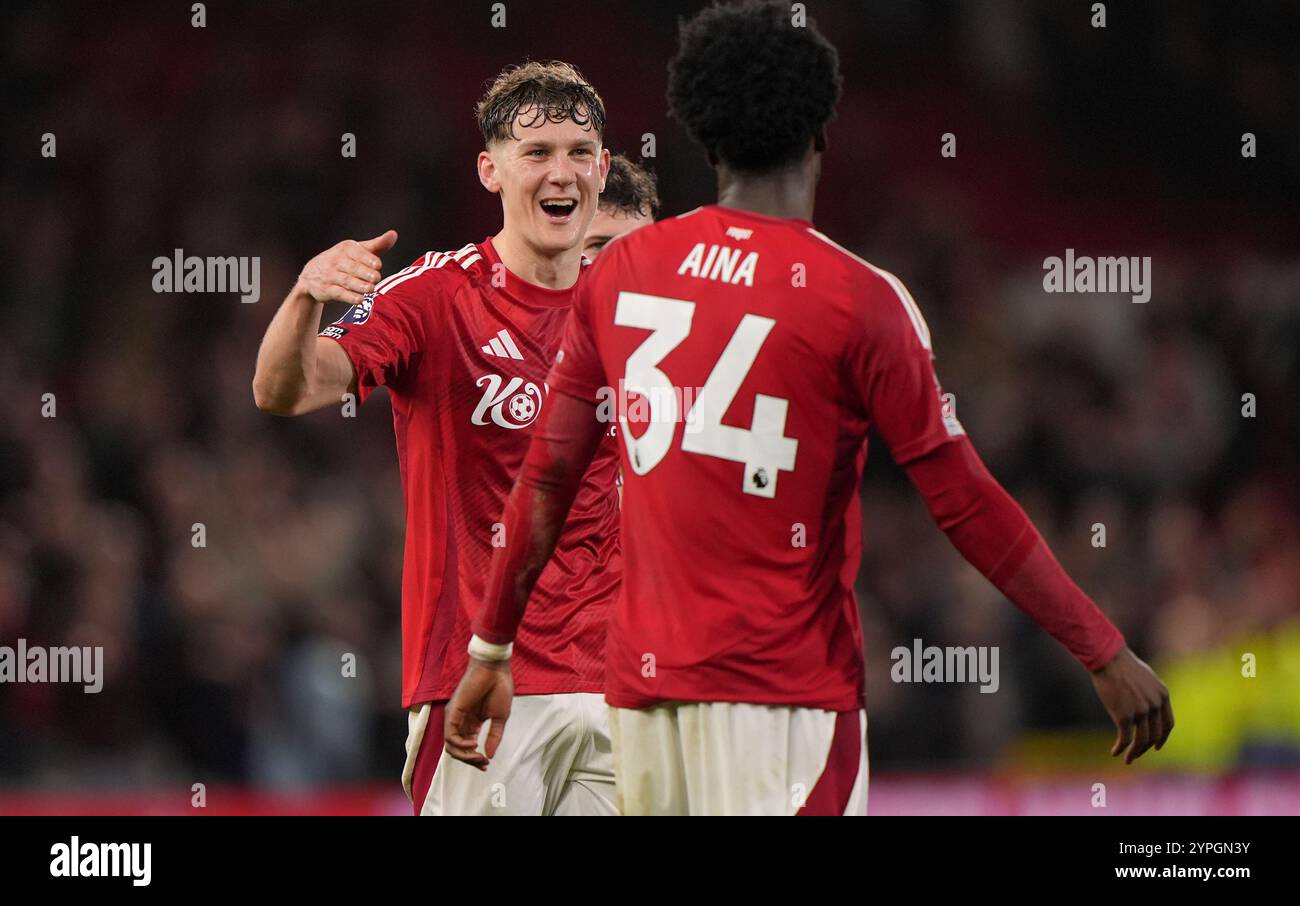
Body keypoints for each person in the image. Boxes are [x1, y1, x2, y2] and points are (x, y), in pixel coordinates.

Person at [445, 1, 1173, 815]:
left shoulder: (623, 270)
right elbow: (964, 502)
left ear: (705, 139)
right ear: (821, 133)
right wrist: (1102, 649)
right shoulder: (860, 299)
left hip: (642, 704)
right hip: (783, 706)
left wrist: (489, 648)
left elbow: (545, 478)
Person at [252, 61, 625, 815]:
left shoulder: (639, 311)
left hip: (620, 692)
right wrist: (303, 297)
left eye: (580, 152)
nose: (563, 172)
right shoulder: (434, 295)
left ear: (604, 166)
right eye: (537, 153)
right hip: (480, 694)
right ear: (490, 171)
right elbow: (283, 390)